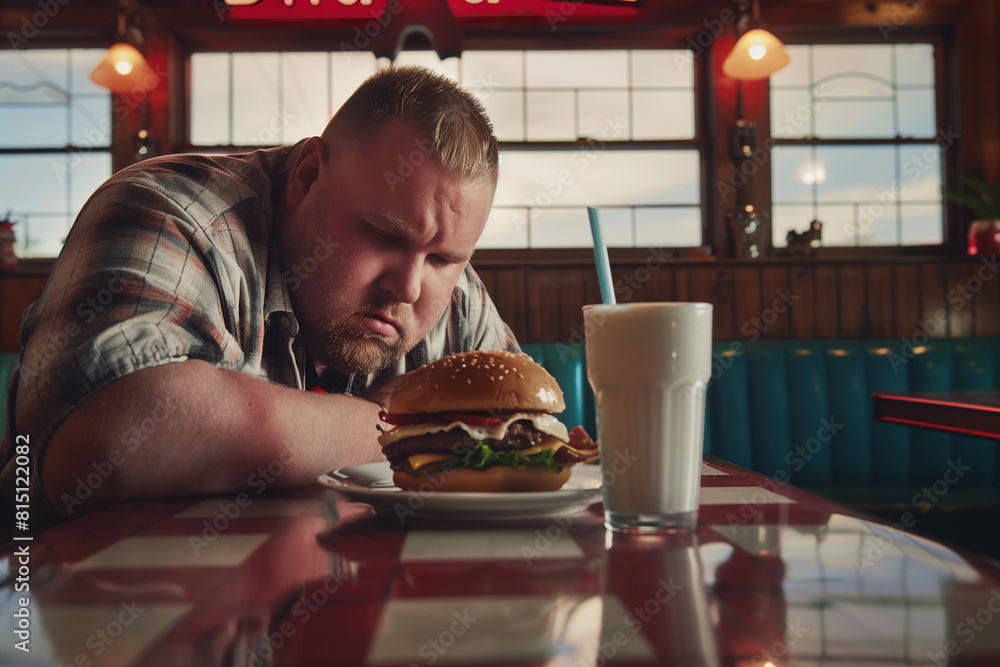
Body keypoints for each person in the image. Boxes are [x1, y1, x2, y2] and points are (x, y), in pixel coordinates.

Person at [0, 65, 517, 538]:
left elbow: (525, 429)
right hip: (70, 610)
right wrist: (394, 427)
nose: (407, 288)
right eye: (383, 234)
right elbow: (103, 439)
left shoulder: (453, 291)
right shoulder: (172, 210)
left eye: (444, 259)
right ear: (308, 175)